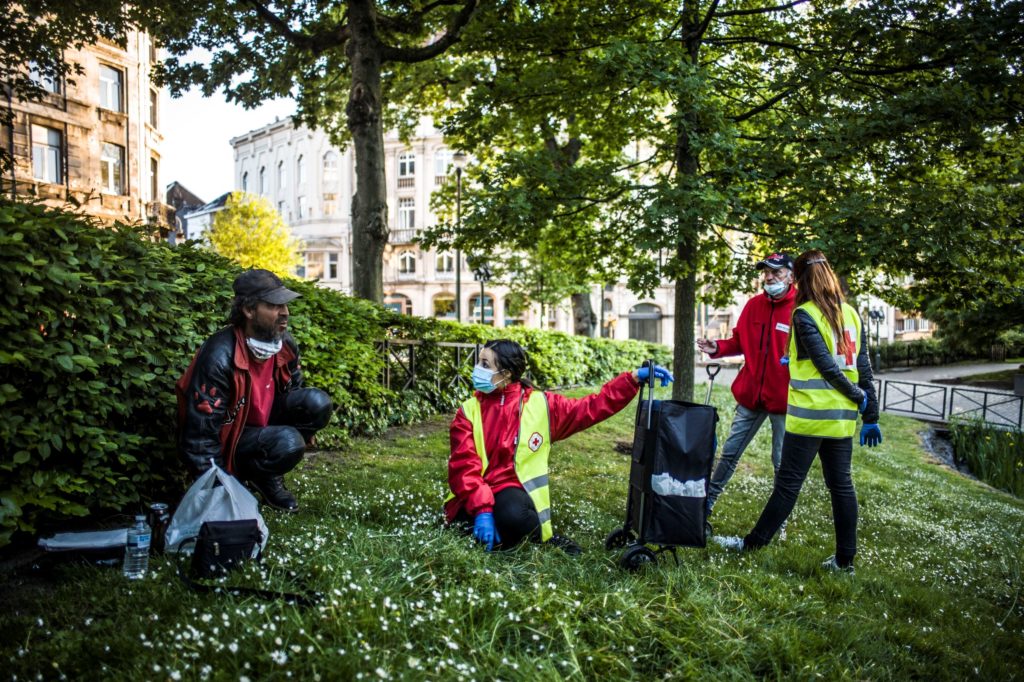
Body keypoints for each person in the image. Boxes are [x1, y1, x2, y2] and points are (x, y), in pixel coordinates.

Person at [716, 250, 882, 573]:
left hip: (808, 417)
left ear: (800, 278)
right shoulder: (851, 315)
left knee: (788, 485)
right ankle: (845, 561)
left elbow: (827, 367)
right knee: (842, 485)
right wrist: (868, 412)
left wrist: (862, 399)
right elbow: (864, 368)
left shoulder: (804, 314)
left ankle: (752, 544)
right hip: (840, 421)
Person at [445, 339, 672, 554]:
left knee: (513, 517)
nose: (477, 369)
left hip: (511, 490)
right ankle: (499, 527)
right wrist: (483, 510)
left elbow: (591, 406)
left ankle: (539, 536)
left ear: (505, 375)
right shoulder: (468, 411)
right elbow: (464, 466)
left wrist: (631, 379)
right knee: (462, 526)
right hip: (474, 490)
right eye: (479, 362)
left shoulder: (542, 405)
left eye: (485, 364)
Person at [176, 269, 333, 512]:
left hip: (263, 427)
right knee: (288, 443)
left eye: (285, 305)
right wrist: (220, 494)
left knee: (316, 403)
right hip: (232, 440)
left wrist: (301, 428)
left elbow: (295, 390)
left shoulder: (284, 343)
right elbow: (199, 439)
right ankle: (242, 476)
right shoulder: (219, 356)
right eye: (274, 305)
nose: (285, 313)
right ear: (249, 311)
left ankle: (265, 475)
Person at [696, 252, 797, 525]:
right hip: (751, 396)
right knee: (729, 453)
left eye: (776, 272)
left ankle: (779, 522)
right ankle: (705, 508)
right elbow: (739, 341)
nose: (769, 277)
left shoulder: (801, 309)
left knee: (780, 463)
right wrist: (716, 348)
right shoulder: (753, 305)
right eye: (766, 271)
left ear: (791, 275)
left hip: (784, 402)